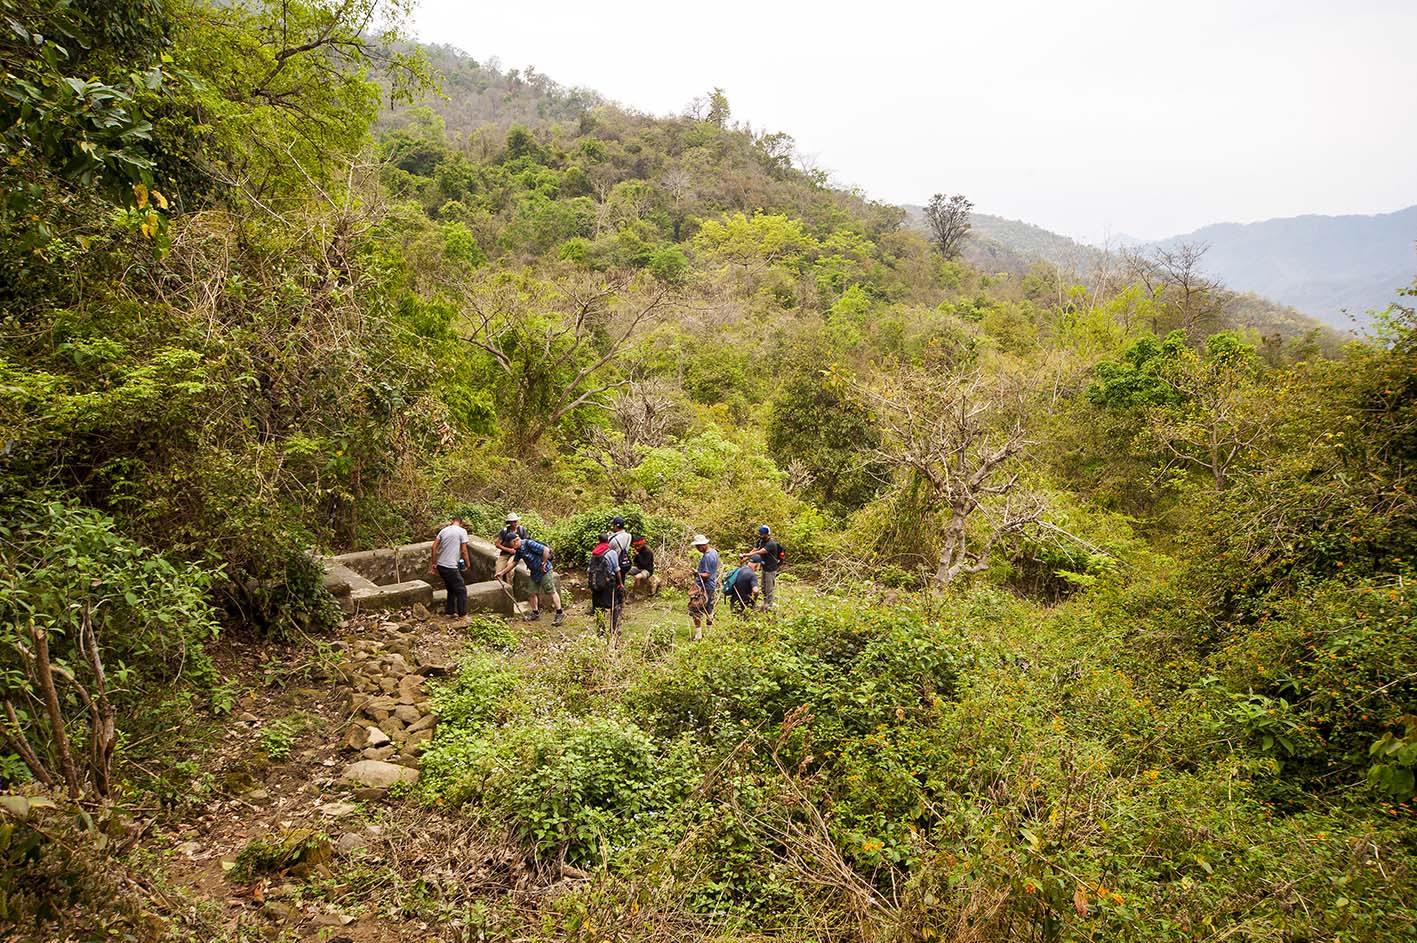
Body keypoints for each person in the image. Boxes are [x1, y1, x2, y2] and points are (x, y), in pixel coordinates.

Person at [509, 534, 564, 625]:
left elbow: (546, 550)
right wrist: (501, 573)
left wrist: (544, 563)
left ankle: (559, 613)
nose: (512, 547)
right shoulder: (519, 550)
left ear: (515, 541)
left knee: (551, 591)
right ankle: (535, 613)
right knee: (531, 592)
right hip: (534, 573)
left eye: (512, 544)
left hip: (545, 571)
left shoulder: (529, 543)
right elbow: (514, 563)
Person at [428, 516, 473, 620]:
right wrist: (468, 564)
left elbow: (433, 547)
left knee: (451, 589)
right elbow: (464, 550)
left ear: (452, 522)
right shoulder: (462, 531)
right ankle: (463, 615)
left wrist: (434, 563)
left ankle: (450, 612)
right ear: (461, 523)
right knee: (461, 590)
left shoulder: (443, 531)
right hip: (450, 566)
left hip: (441, 566)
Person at [588, 532, 624, 637]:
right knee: (615, 605)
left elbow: (589, 570)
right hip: (608, 583)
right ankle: (614, 629)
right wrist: (620, 583)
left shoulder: (594, 553)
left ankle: (600, 630)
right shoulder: (611, 553)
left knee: (599, 607)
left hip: (596, 584)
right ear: (607, 541)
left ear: (598, 541)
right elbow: (617, 570)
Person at [741, 525, 782, 610]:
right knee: (763, 587)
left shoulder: (771, 544)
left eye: (763, 534)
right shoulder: (760, 541)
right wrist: (745, 558)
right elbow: (754, 550)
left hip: (771, 569)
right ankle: (765, 603)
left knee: (769, 588)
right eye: (760, 534)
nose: (761, 536)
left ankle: (769, 606)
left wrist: (746, 555)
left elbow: (760, 552)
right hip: (764, 567)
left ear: (767, 534)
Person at [690, 534, 718, 640]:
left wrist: (696, 573)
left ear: (702, 545)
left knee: (696, 609)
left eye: (698, 546)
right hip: (711, 585)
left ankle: (698, 635)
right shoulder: (714, 552)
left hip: (704, 587)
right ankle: (709, 633)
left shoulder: (707, 557)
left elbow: (706, 574)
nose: (697, 549)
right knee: (709, 609)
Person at [493, 513, 528, 583]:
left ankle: (509, 587)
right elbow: (497, 544)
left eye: (516, 521)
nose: (515, 523)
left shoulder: (521, 530)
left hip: (516, 554)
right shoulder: (504, 531)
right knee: (498, 570)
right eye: (513, 521)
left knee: (510, 570)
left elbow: (525, 542)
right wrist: (508, 550)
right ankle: (501, 587)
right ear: (510, 522)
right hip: (505, 554)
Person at [608, 516, 633, 584]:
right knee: (622, 580)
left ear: (616, 526)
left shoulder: (613, 539)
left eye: (613, 525)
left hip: (615, 565)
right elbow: (621, 537)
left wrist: (609, 536)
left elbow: (608, 549)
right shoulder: (629, 536)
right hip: (624, 562)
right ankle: (621, 593)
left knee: (614, 583)